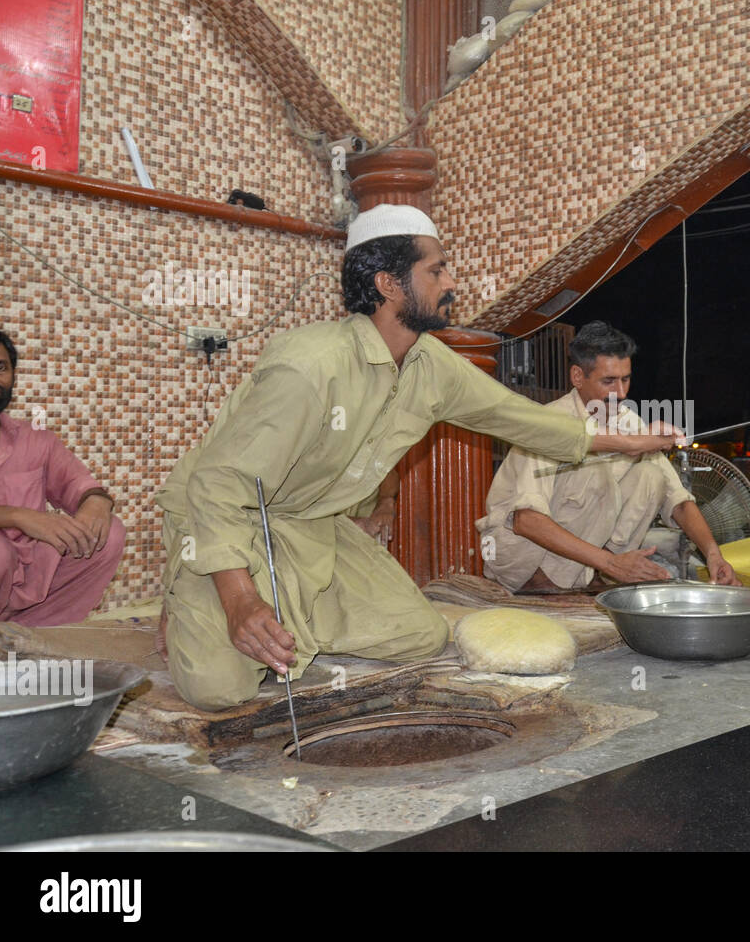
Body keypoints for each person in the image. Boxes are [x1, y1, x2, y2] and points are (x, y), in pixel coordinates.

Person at [155, 205, 679, 711]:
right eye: (436, 270)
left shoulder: (432, 365)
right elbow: (218, 487)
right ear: (389, 284)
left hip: (312, 524)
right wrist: (239, 599)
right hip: (226, 520)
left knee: (420, 635)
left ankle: (285, 616)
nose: (450, 282)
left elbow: (524, 419)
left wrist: (633, 443)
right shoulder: (309, 366)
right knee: (219, 689)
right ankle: (194, 601)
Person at [477, 321, 740, 591]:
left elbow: (678, 501)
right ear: (578, 376)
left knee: (651, 475)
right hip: (520, 562)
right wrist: (610, 562)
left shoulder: (628, 421)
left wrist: (713, 555)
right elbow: (526, 521)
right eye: (609, 381)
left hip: (586, 564)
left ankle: (602, 574)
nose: (621, 393)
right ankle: (570, 578)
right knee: (595, 469)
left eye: (625, 379)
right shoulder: (550, 423)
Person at [0, 329, 125, 626]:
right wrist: (16, 516)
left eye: (0, 367)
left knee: (107, 533)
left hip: (22, 588)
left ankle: (30, 637)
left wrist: (96, 504)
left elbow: (81, 485)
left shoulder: (36, 440)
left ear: (12, 375)